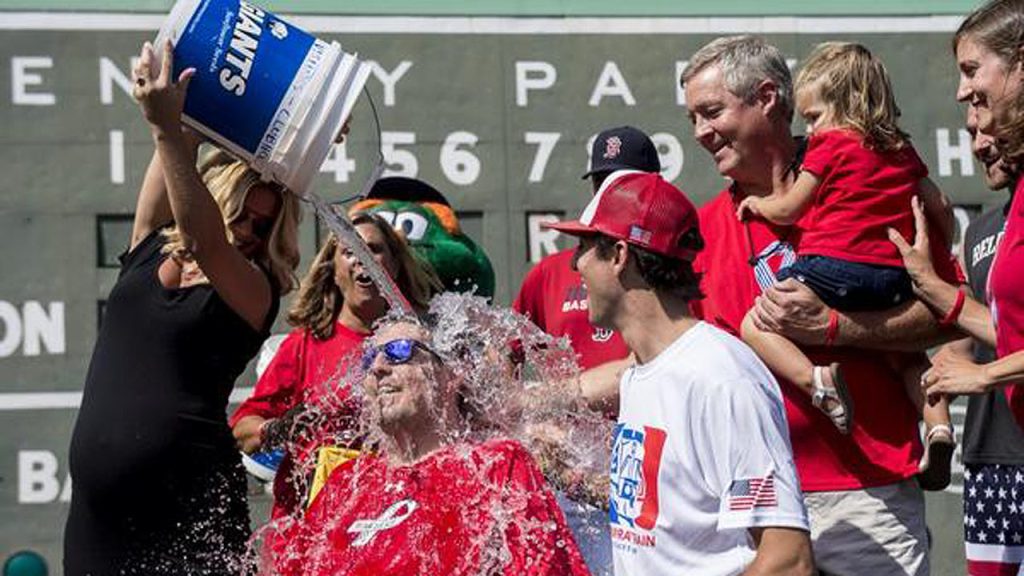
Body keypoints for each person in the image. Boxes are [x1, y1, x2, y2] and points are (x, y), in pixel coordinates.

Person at [683, 35, 960, 575]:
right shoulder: (704, 230)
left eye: (712, 112)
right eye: (692, 117)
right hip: (755, 504)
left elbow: (947, 313)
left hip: (871, 491)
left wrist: (836, 327)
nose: (700, 133)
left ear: (767, 97)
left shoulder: (869, 183)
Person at [65, 41, 302, 575]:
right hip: (98, 515)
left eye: (262, 224)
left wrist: (166, 128)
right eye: (241, 212)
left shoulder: (254, 286)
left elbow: (205, 239)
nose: (248, 229)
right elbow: (179, 133)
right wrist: (180, 92)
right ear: (216, 193)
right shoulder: (150, 242)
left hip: (190, 507)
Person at [546, 170, 813, 576]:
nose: (574, 263)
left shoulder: (722, 378)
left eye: (583, 246)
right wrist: (564, 476)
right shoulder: (643, 375)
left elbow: (788, 560)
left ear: (619, 255)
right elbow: (664, 512)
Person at [734, 42, 956, 472]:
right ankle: (940, 428)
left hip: (832, 267)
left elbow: (790, 208)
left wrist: (759, 206)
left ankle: (818, 382)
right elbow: (942, 206)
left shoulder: (831, 145)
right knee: (909, 356)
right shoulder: (901, 151)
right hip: (894, 276)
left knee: (757, 322)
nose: (811, 130)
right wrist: (939, 250)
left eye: (814, 117)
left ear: (843, 104)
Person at [269, 308, 592, 575]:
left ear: (451, 372)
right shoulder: (344, 483)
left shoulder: (495, 465)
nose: (378, 368)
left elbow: (543, 568)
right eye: (369, 360)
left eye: (399, 353)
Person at [513, 125, 660, 576]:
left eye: (627, 182)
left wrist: (545, 397)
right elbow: (504, 356)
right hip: (571, 462)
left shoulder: (671, 268)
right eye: (603, 183)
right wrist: (526, 422)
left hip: (649, 451)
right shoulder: (556, 271)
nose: (611, 193)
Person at [230, 212, 440, 520]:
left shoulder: (423, 344)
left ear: (394, 265)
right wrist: (278, 429)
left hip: (396, 516)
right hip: (312, 524)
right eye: (349, 251)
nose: (361, 259)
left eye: (374, 249)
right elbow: (242, 429)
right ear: (333, 270)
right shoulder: (305, 345)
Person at [934, 103, 1024, 575]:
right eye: (971, 133)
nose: (980, 145)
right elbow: (963, 337)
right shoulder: (982, 232)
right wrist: (938, 399)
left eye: (990, 131)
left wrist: (985, 373)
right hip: (988, 455)